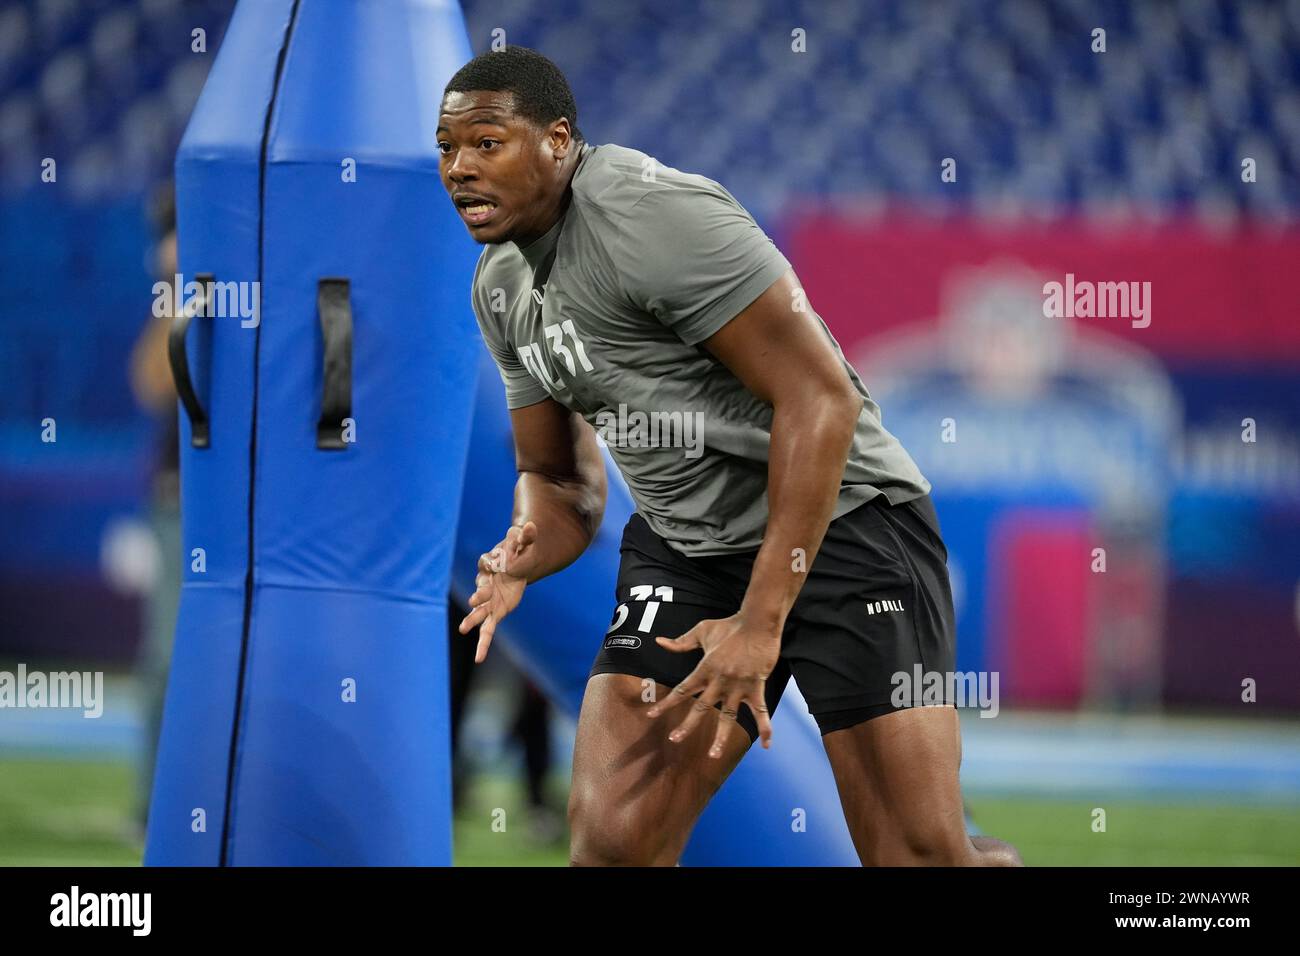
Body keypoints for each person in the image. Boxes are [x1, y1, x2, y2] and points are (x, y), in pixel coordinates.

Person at [439, 46, 1021, 867]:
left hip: (844, 528)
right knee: (615, 840)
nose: (459, 168)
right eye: (446, 148)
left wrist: (762, 618)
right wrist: (520, 550)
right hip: (687, 549)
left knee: (917, 854)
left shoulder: (657, 218)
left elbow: (823, 401)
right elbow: (561, 479)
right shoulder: (498, 288)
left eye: (485, 143)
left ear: (558, 140)